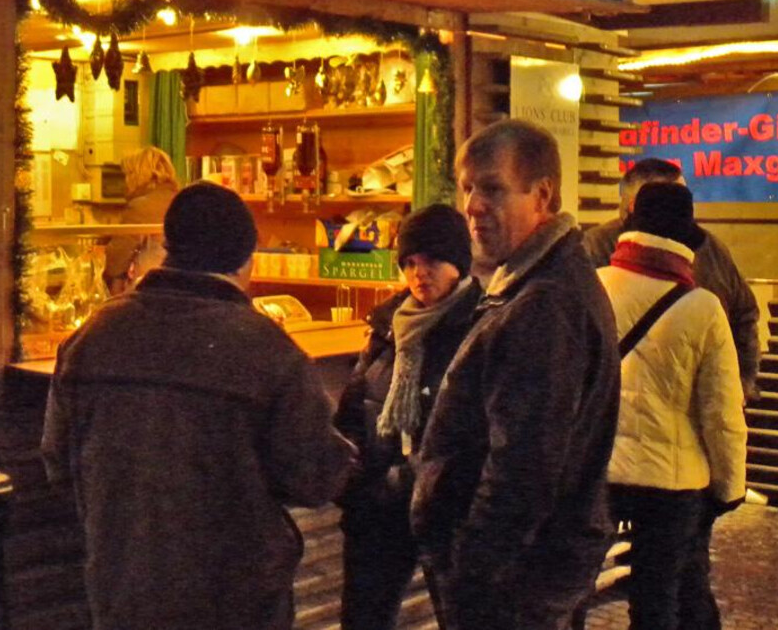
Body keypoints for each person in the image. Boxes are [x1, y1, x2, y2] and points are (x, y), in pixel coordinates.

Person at [42, 182, 355, 630]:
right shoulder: (266, 349)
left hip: (122, 589)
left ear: (168, 248)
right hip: (236, 596)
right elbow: (316, 475)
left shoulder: (92, 337)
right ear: (246, 259)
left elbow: (59, 462)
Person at [411, 120, 620, 630]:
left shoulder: (544, 303)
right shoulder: (535, 283)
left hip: (513, 577)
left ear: (541, 195)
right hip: (527, 565)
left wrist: (471, 572)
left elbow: (522, 467)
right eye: (467, 189)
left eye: (493, 189)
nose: (473, 206)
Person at [598, 182, 746, 630]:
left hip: (598, 471)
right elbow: (721, 413)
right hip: (672, 483)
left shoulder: (593, 287)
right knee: (657, 600)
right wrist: (729, 488)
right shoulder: (703, 307)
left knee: (571, 589)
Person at [334, 204, 482, 630]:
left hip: (449, 510)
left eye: (432, 260)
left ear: (458, 262)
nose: (419, 274)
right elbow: (354, 407)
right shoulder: (387, 327)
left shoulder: (480, 328)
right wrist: (354, 484)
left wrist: (417, 480)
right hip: (379, 507)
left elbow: (479, 431)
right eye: (409, 263)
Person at [583, 157, 760, 398]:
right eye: (671, 197)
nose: (682, 206)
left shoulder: (710, 248)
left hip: (699, 399)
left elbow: (744, 312)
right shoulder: (596, 249)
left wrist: (742, 381)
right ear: (635, 204)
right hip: (626, 402)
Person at [102, 147, 179, 292]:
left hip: (150, 290)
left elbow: (116, 261)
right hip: (179, 288)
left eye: (126, 175)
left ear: (136, 175)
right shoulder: (181, 199)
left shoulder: (140, 207)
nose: (124, 182)